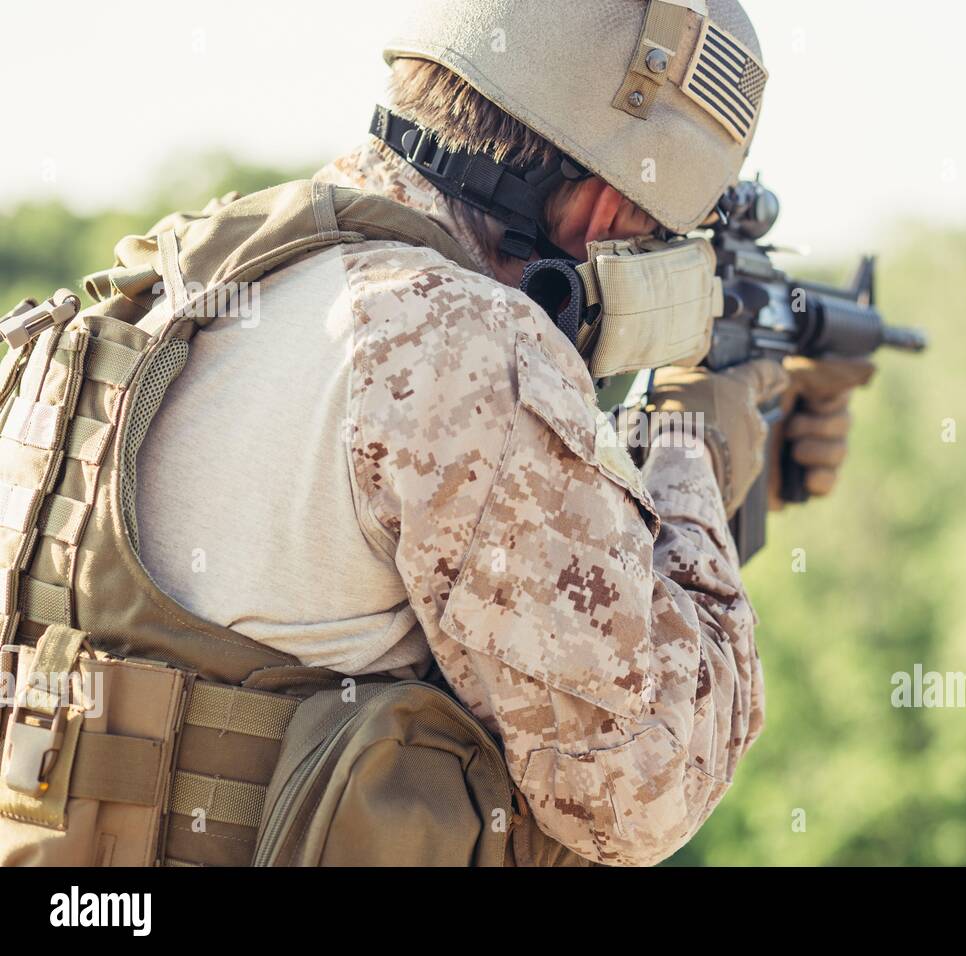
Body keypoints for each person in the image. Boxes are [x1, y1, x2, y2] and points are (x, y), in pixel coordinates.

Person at [0, 0, 872, 867]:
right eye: (662, 241)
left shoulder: (172, 280)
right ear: (607, 216)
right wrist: (691, 460)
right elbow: (645, 782)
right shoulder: (459, 338)